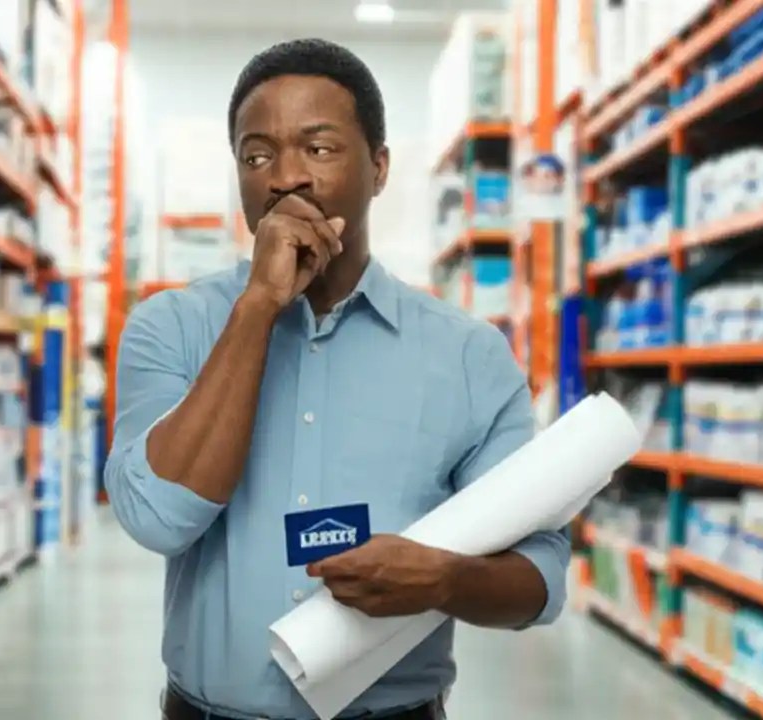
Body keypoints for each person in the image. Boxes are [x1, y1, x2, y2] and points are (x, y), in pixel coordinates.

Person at [105, 38, 570, 720]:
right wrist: (258, 308)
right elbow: (158, 518)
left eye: (319, 148)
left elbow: (541, 579)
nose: (285, 177)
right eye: (256, 155)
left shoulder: (467, 354)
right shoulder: (170, 327)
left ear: (379, 168)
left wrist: (446, 579)